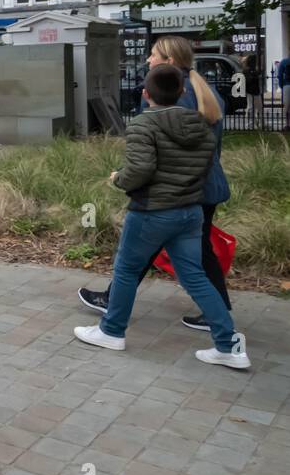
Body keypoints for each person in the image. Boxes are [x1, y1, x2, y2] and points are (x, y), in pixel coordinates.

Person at [74, 64, 250, 370]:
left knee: (127, 270)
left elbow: (140, 169)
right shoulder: (203, 125)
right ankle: (228, 344)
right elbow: (206, 166)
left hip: (152, 212)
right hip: (191, 212)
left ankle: (111, 331)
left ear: (145, 93)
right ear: (182, 92)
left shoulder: (143, 125)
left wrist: (118, 179)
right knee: (195, 277)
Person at [279, 54, 290, 131]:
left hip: (287, 85)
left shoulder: (284, 62)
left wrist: (281, 85)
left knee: (287, 106)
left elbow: (280, 75)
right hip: (286, 85)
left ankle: (287, 124)